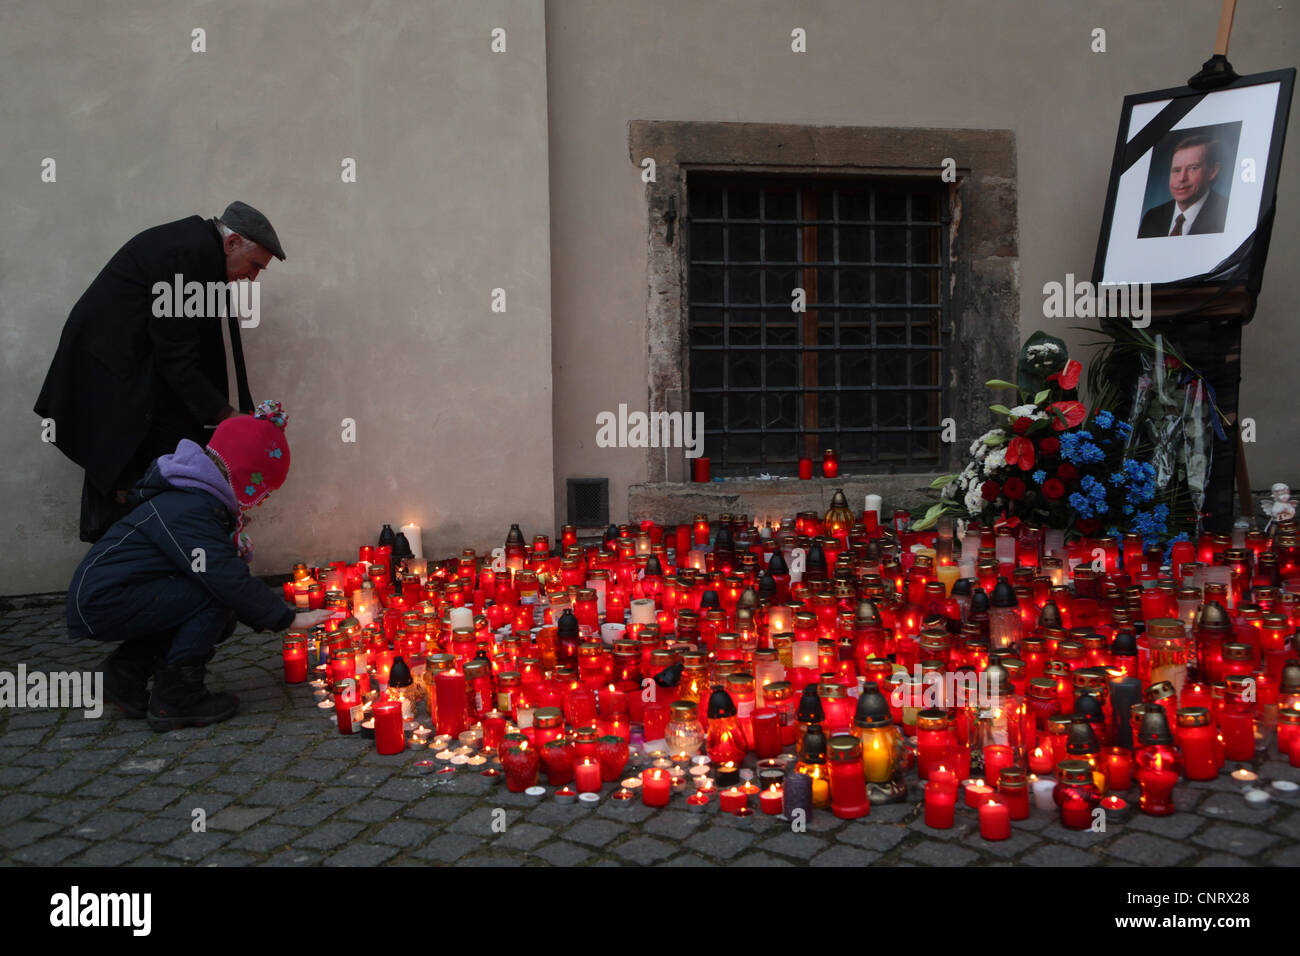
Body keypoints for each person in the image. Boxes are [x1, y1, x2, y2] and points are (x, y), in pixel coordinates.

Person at [66, 401, 328, 731]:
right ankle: (177, 698)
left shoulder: (192, 498)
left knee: (210, 604)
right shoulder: (189, 507)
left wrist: (260, 614)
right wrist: (288, 618)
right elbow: (221, 576)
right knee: (212, 595)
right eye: (264, 491)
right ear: (245, 475)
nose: (264, 501)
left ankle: (123, 676)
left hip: (115, 594)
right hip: (104, 599)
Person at [34, 201, 286, 542]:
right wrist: (226, 416)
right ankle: (129, 566)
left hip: (130, 375)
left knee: (164, 463)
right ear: (231, 243)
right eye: (254, 266)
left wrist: (225, 418)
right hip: (114, 380)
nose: (252, 277)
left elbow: (195, 350)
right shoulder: (187, 254)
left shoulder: (197, 250)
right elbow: (177, 355)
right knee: (136, 473)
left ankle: (143, 559)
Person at [1137, 135, 1229, 238]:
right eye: (1176, 170)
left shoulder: (1227, 213)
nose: (1182, 178)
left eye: (1193, 168)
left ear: (1213, 171)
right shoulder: (1152, 217)